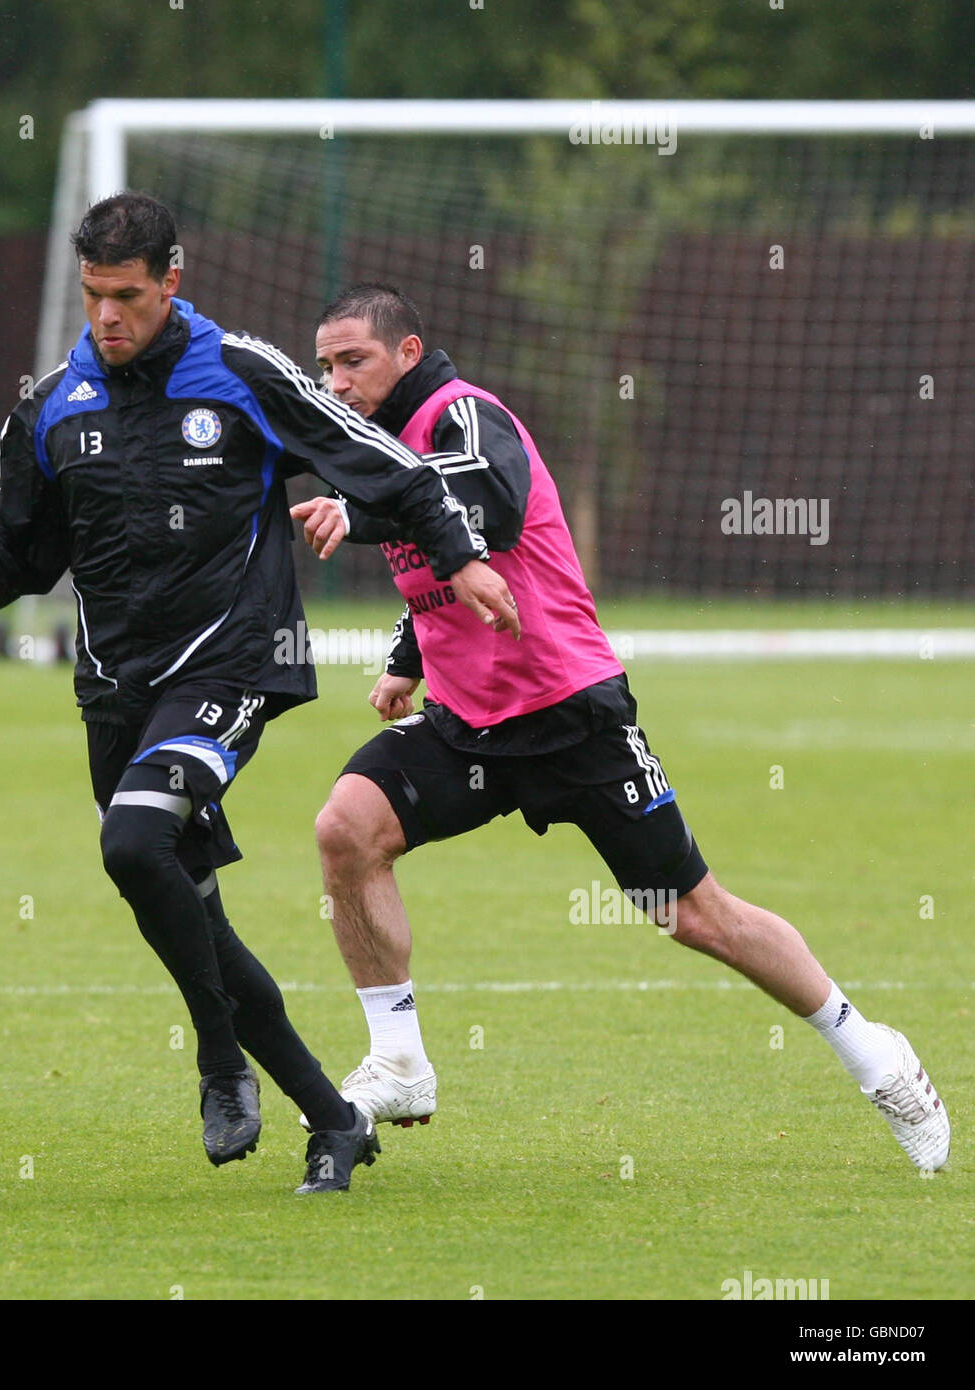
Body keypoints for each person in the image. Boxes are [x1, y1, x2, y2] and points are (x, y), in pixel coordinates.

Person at [0, 199, 520, 1195]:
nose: (108, 316)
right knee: (179, 898)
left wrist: (456, 557)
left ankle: (216, 1059)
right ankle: (331, 1119)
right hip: (117, 686)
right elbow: (12, 530)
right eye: (93, 296)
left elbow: (384, 463)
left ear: (171, 281)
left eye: (127, 295)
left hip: (231, 663)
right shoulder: (53, 404)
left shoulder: (240, 372)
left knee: (131, 840)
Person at [290, 282, 949, 1172]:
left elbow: (490, 503)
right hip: (469, 729)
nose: (336, 380)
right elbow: (447, 561)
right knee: (347, 828)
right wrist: (408, 654)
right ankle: (400, 1060)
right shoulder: (371, 447)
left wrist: (362, 509)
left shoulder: (464, 416)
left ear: (408, 354)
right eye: (325, 364)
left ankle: (874, 1052)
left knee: (695, 917)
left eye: (353, 360)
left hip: (572, 717)